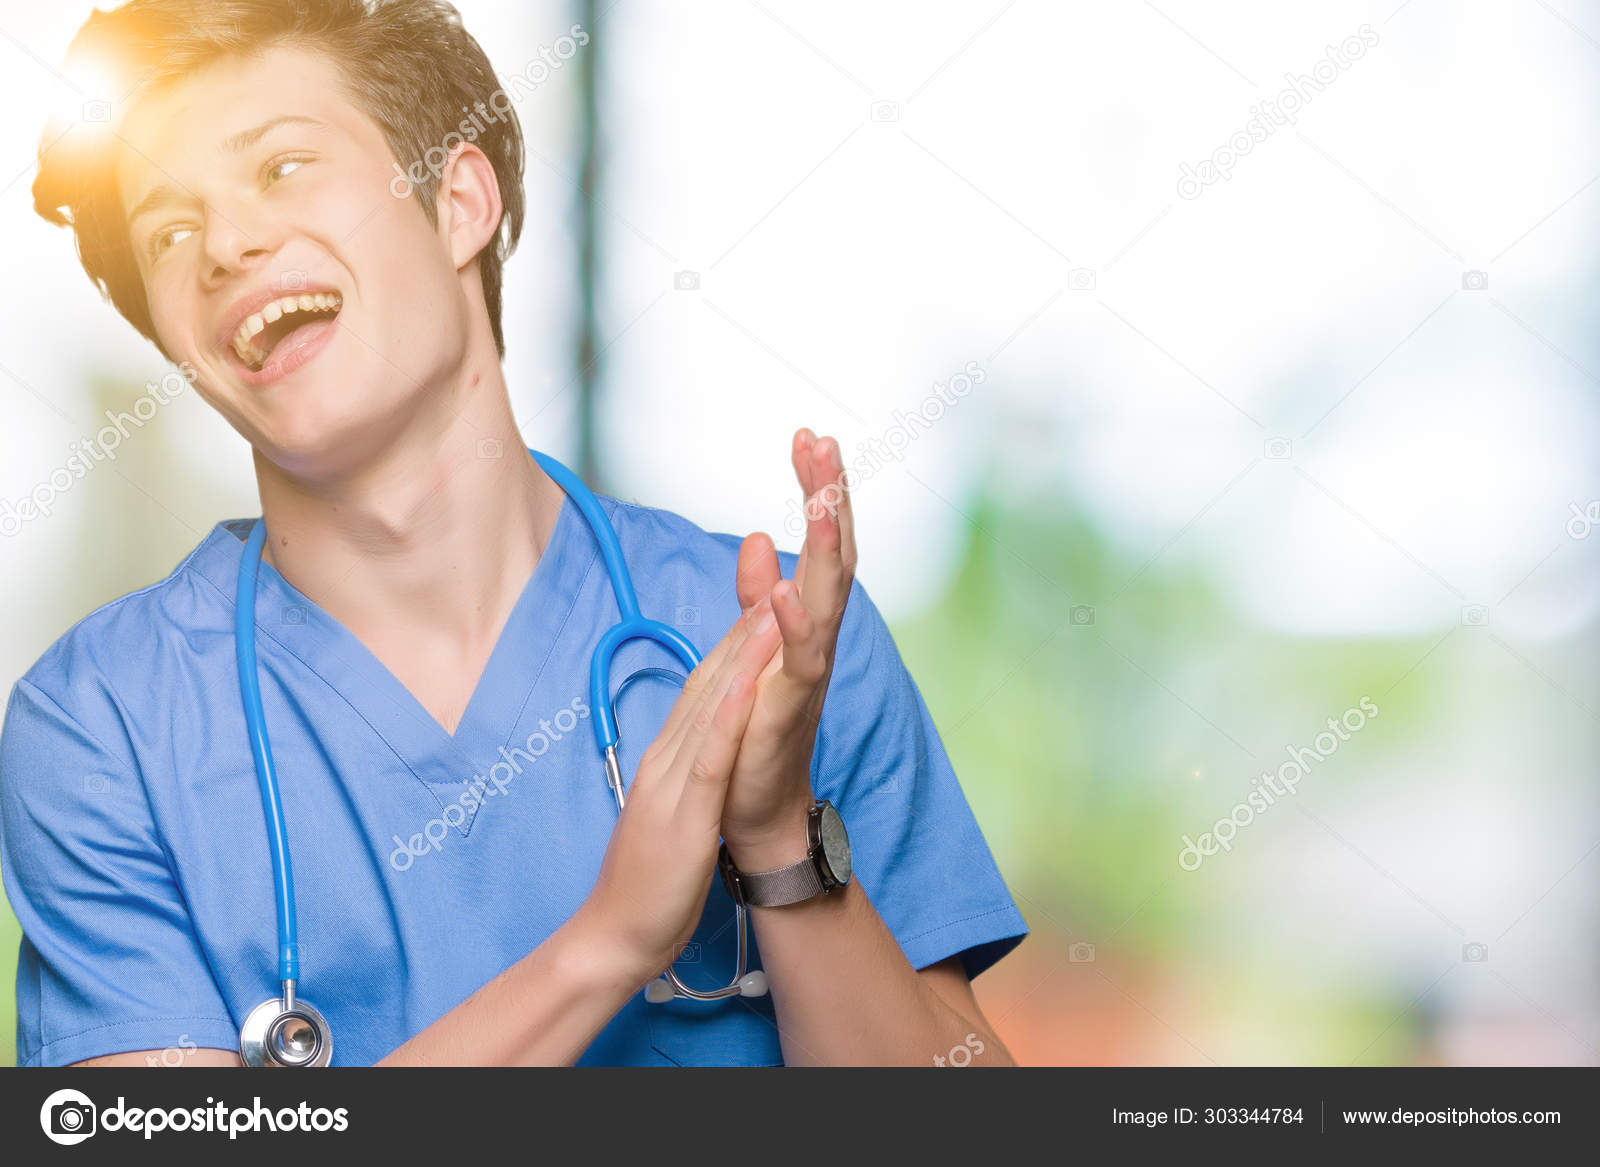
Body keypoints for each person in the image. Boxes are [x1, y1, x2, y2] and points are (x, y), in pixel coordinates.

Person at [0, 0, 1027, 1067]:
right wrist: (606, 944)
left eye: (282, 168)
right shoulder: (103, 729)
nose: (225, 245)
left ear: (458, 202)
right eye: (169, 231)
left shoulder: (771, 638)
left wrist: (774, 842)